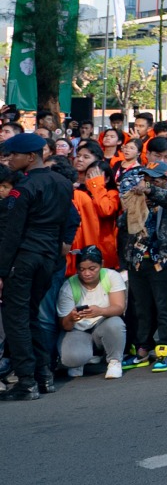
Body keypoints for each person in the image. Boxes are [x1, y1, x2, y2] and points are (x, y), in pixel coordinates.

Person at [0, 133, 80, 400]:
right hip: (48, 259)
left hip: (24, 258)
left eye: (13, 154)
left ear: (31, 157)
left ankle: (26, 382)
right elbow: (71, 218)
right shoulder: (62, 182)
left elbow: (12, 232)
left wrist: (2, 271)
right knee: (32, 317)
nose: (9, 159)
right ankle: (43, 376)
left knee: (16, 319)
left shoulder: (23, 188)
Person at [117, 164, 167, 371]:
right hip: (137, 260)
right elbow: (122, 224)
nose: (150, 183)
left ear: (166, 179)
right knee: (141, 308)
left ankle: (165, 349)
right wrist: (136, 204)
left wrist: (151, 192)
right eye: (147, 179)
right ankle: (143, 349)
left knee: (163, 306)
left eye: (155, 179)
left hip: (161, 260)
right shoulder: (138, 197)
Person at [55, 246, 126, 379]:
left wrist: (101, 311)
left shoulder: (111, 276)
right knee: (72, 358)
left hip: (102, 324)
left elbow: (119, 307)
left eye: (92, 269)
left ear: (102, 265)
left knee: (116, 323)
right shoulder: (68, 287)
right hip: (78, 330)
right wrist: (71, 317)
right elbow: (65, 326)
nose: (87, 273)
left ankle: (114, 361)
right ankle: (82, 359)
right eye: (82, 269)